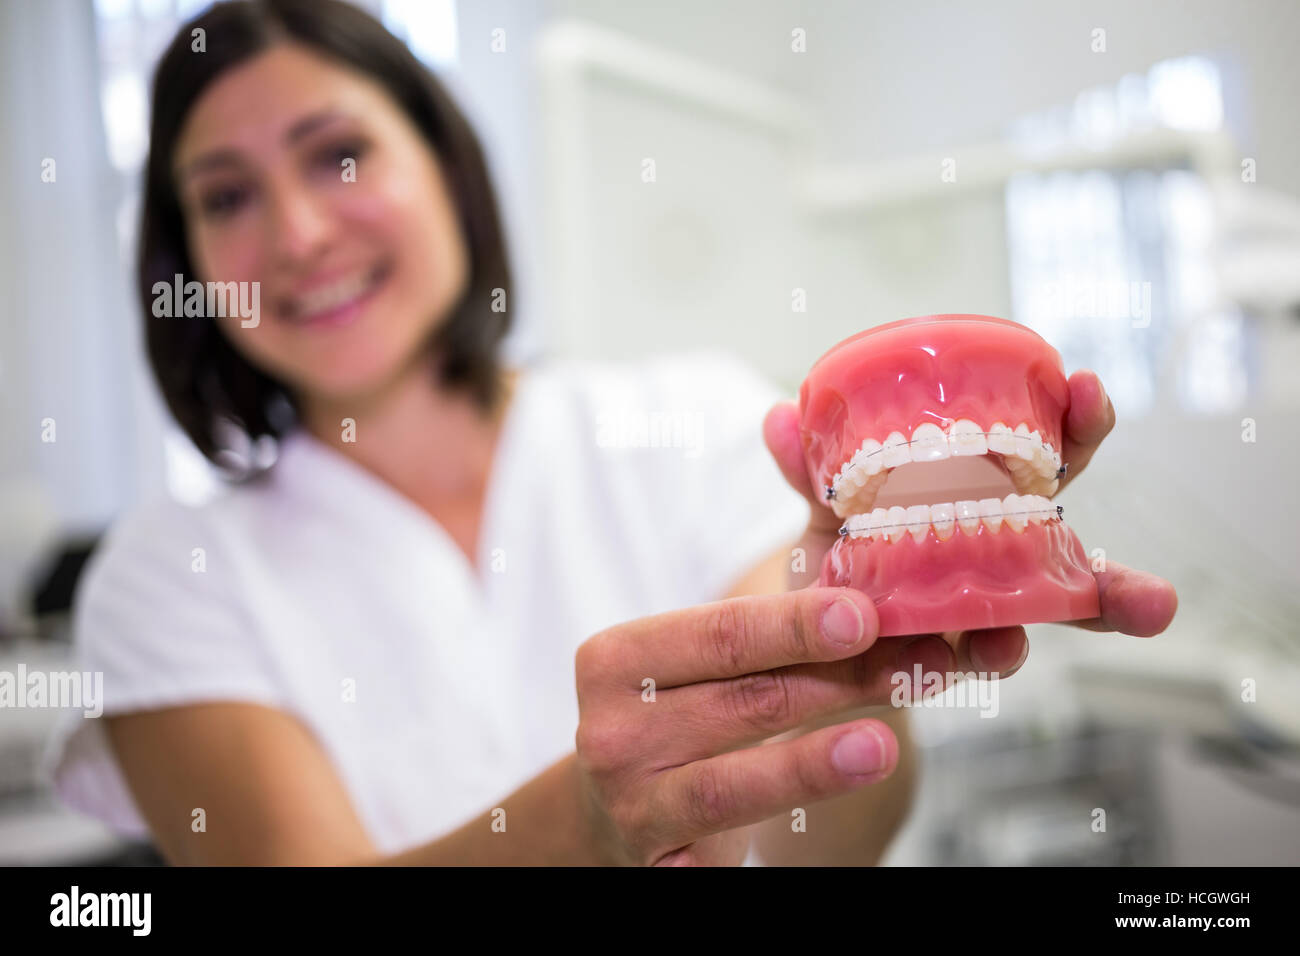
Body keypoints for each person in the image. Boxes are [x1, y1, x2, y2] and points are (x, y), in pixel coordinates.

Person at [44, 0, 1177, 866]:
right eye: (225, 195)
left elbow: (820, 837)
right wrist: (581, 825)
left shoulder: (688, 421)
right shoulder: (162, 579)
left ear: (445, 165)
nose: (294, 231)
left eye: (337, 154)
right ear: (184, 260)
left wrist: (858, 651)